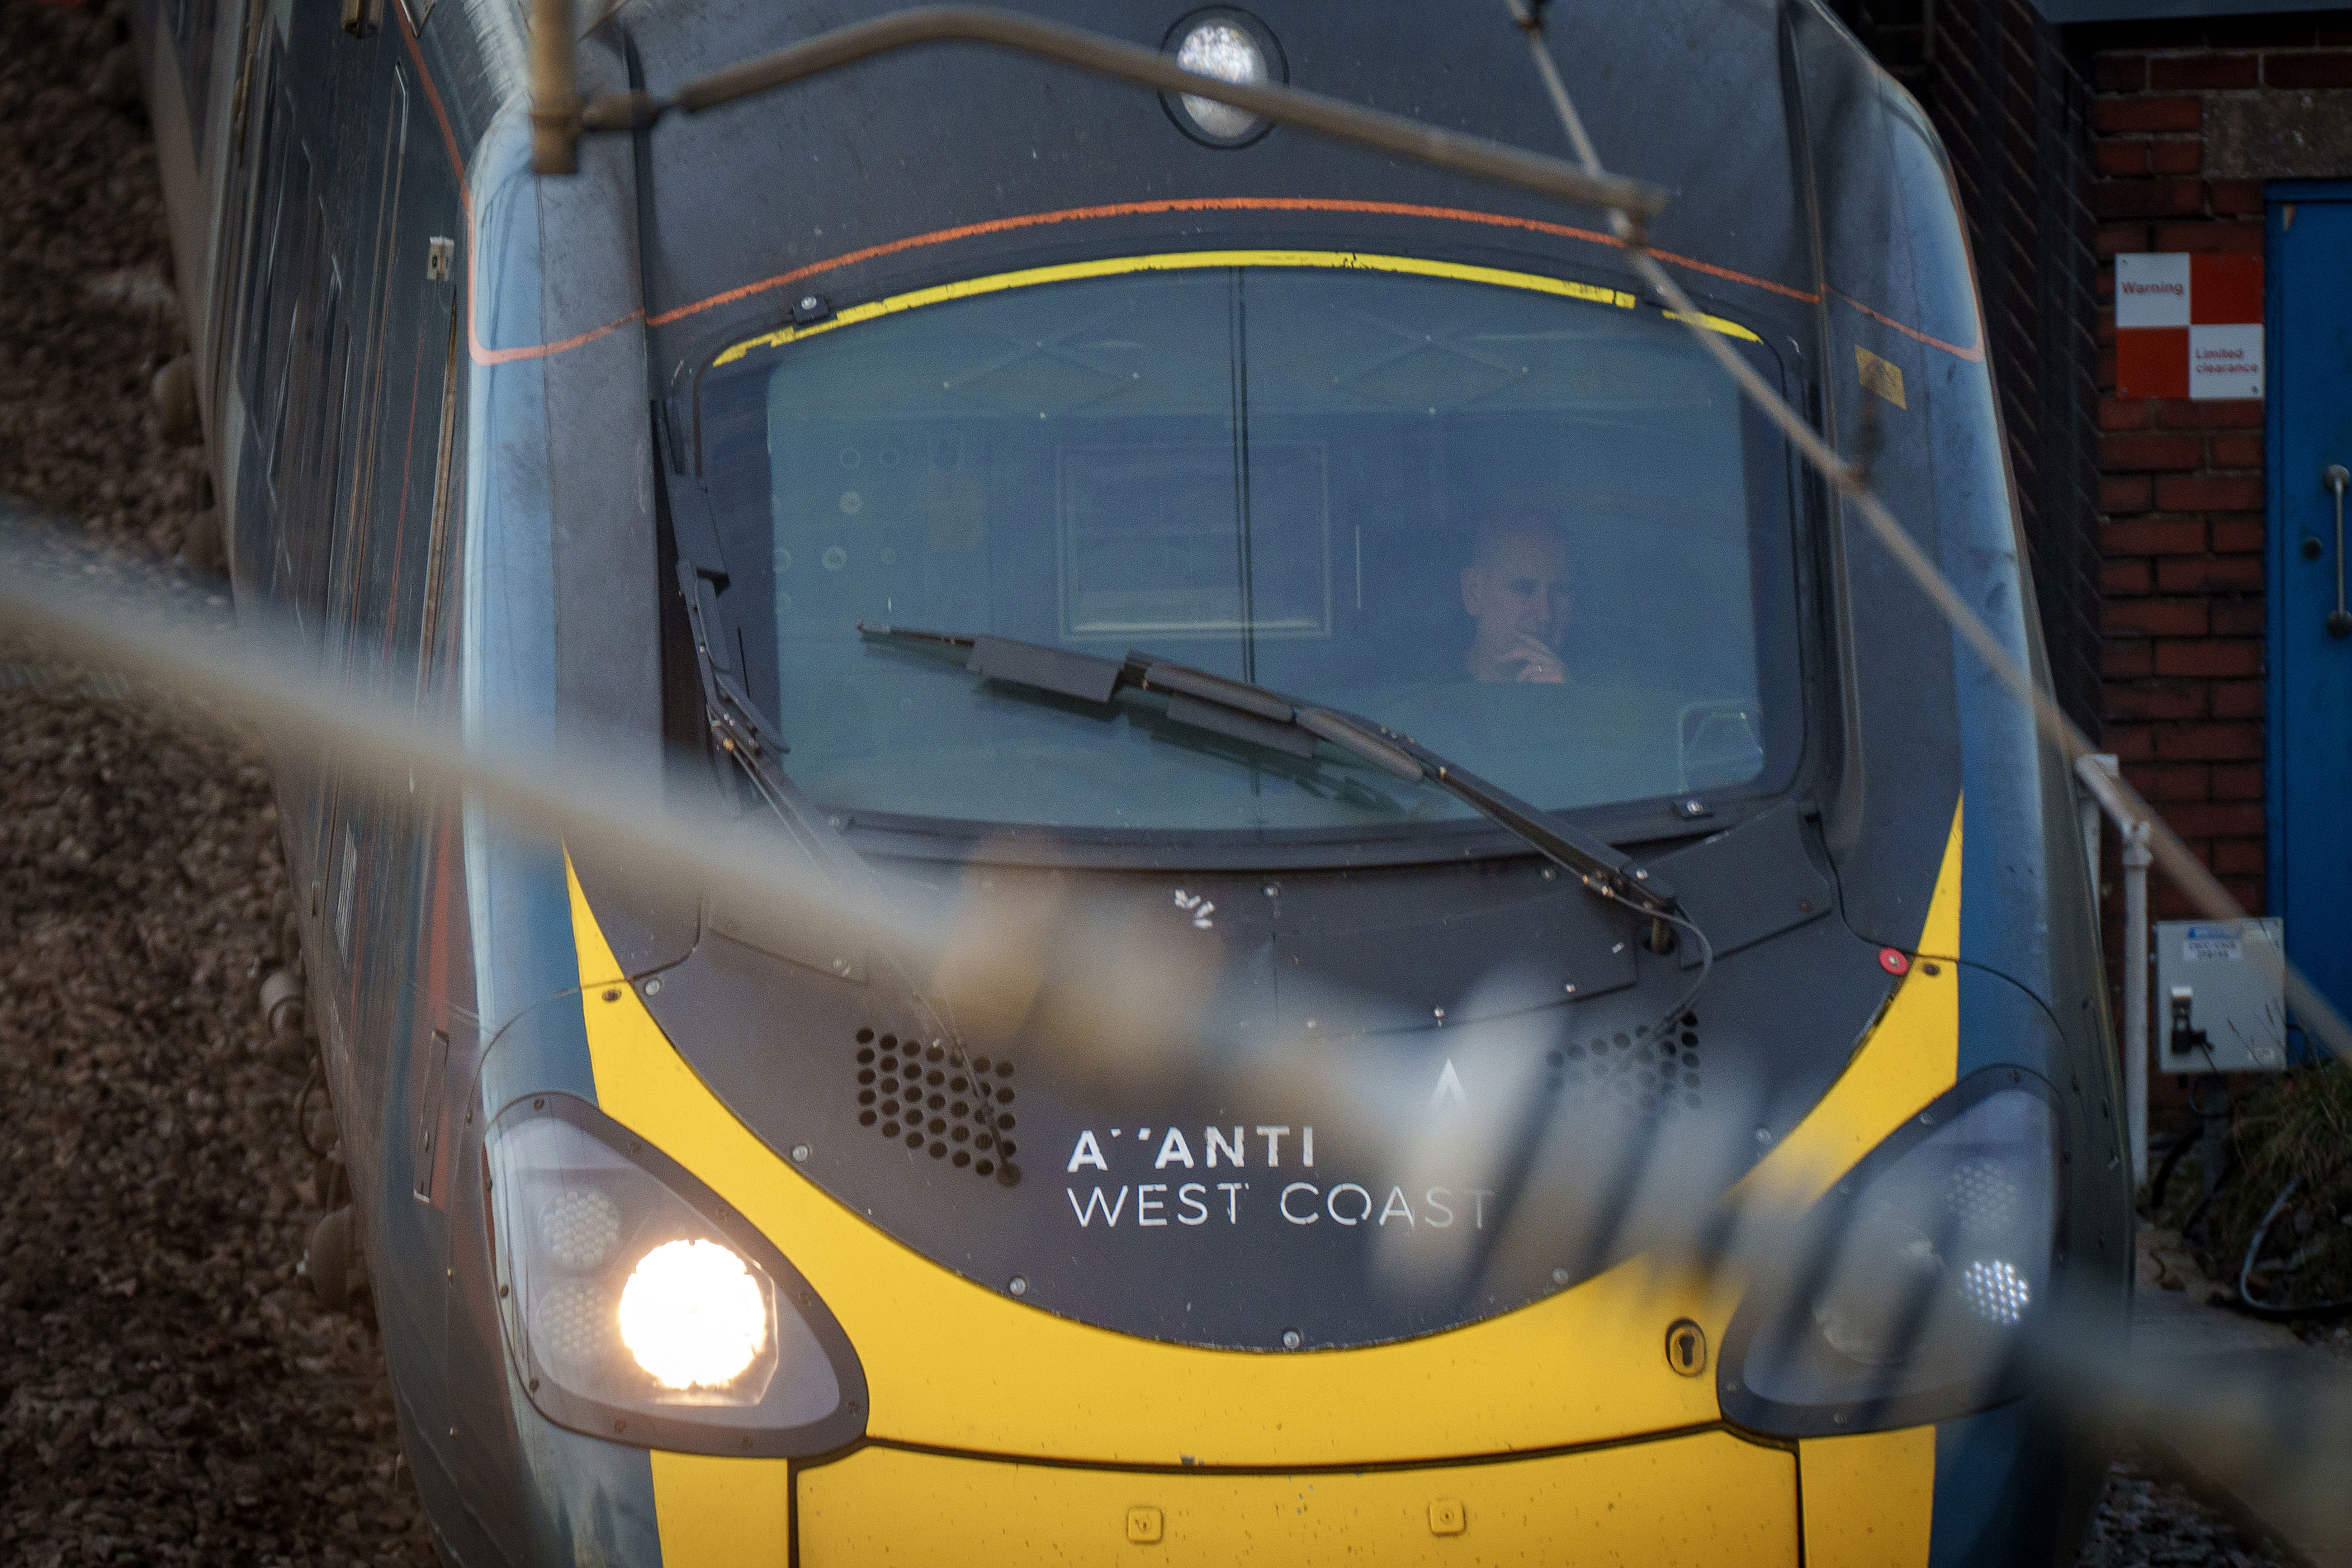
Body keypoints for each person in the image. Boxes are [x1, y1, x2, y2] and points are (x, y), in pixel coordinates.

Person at [1460, 512, 1572, 683]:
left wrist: (1561, 700)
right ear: (1474, 593)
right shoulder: (1422, 694)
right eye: (1524, 588)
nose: (1545, 615)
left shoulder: (1605, 686)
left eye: (1560, 590)